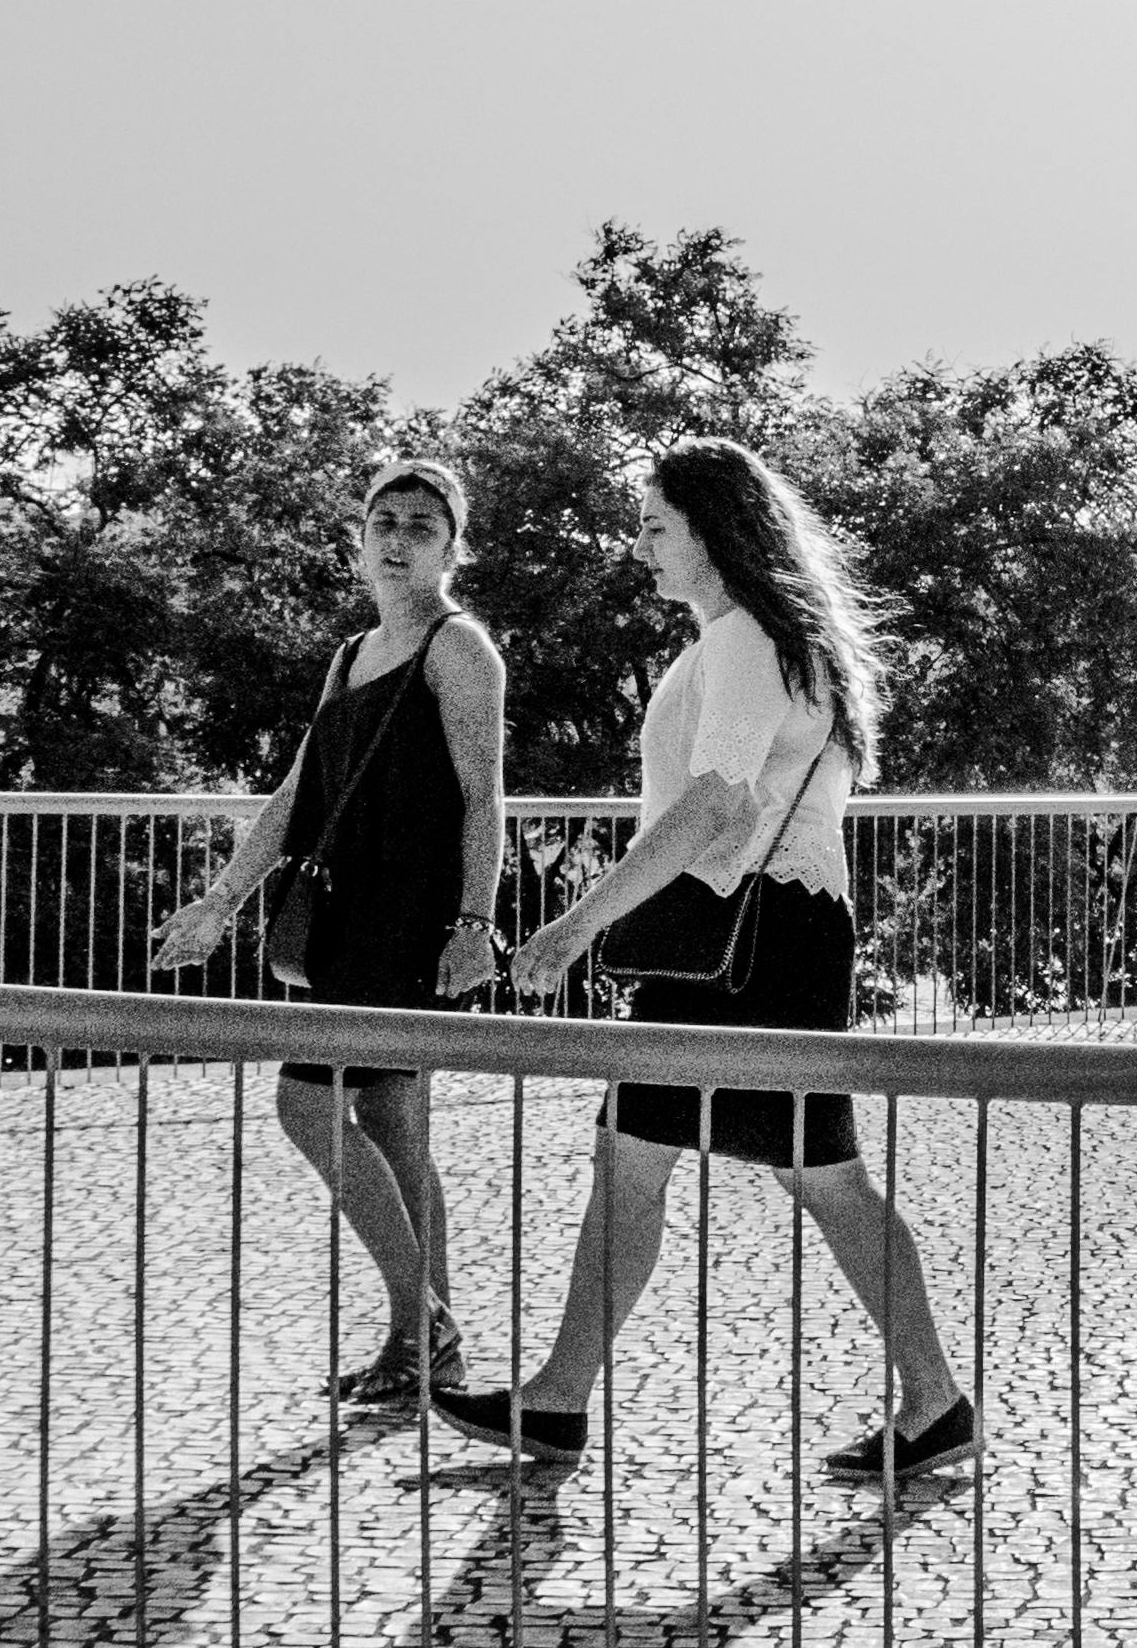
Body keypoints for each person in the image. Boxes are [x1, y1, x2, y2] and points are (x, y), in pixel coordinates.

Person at [432, 438, 979, 1488]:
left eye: (654, 525)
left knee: (808, 1177)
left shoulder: (740, 639)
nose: (639, 545)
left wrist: (576, 922)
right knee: (657, 1161)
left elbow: (719, 798)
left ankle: (935, 1397)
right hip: (771, 933)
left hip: (750, 936)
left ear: (712, 533)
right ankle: (558, 1397)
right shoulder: (767, 637)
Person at [153, 458, 512, 1407]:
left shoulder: (458, 646)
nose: (399, 537)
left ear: (451, 544)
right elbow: (297, 792)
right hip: (350, 913)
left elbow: (484, 796)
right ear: (359, 538)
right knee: (392, 1125)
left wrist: (475, 920)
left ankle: (425, 1319)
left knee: (306, 1105)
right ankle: (420, 1337)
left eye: (423, 524)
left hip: (409, 918)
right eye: (384, 520)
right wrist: (223, 897)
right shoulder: (351, 656)